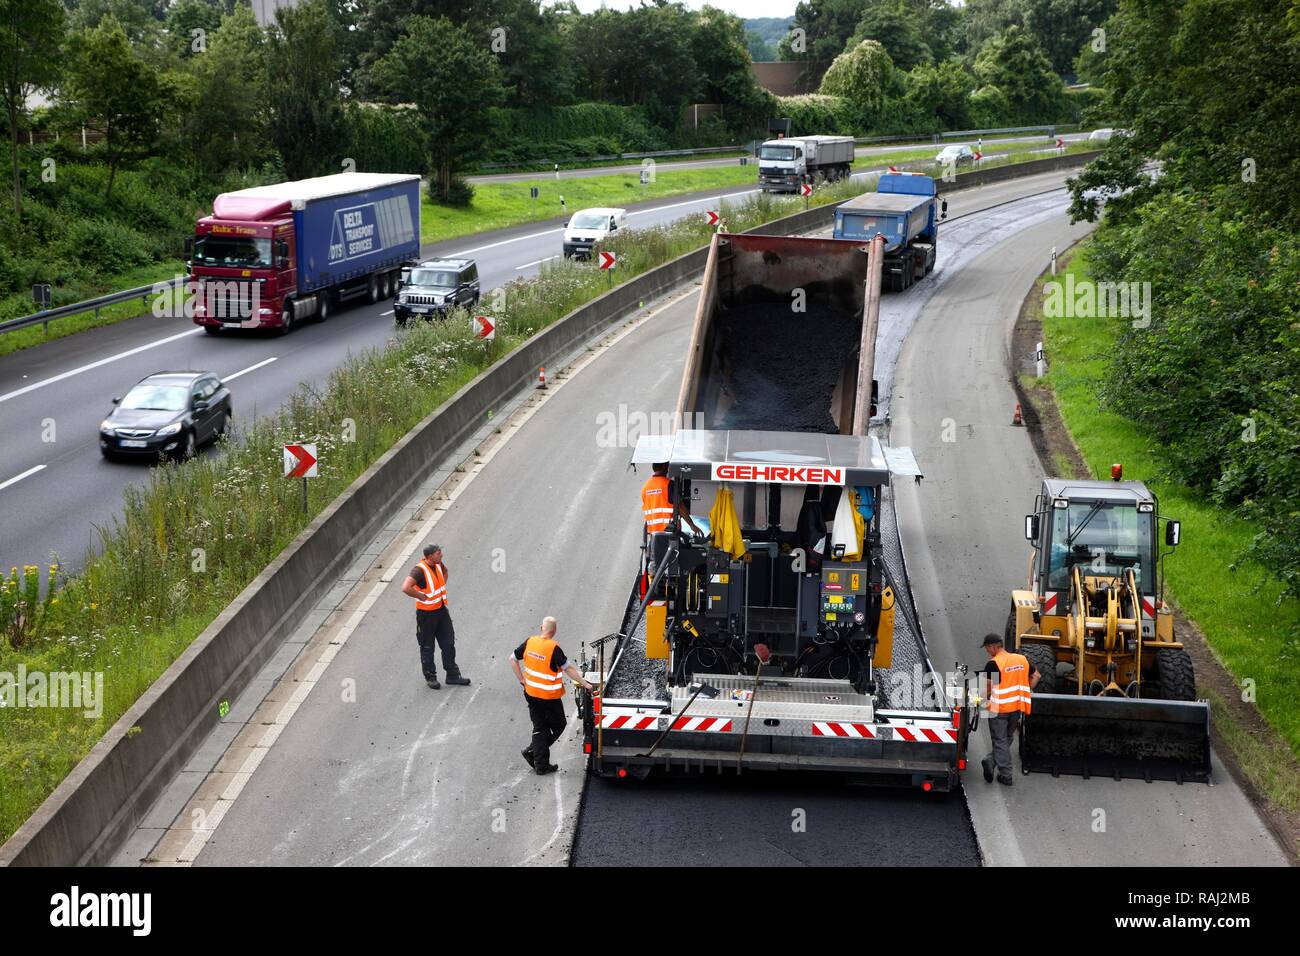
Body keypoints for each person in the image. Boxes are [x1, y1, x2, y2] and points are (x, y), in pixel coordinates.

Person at [509, 616, 593, 775]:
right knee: (559, 725)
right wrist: (585, 683)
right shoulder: (553, 648)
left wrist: (521, 679)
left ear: (542, 628)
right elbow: (568, 669)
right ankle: (534, 753)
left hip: (531, 693)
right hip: (548, 697)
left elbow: (512, 658)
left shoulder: (529, 642)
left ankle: (540, 763)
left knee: (539, 727)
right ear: (554, 631)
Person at [400, 544, 470, 689]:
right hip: (426, 616)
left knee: (449, 643)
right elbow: (405, 587)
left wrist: (441, 585)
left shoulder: (438, 564)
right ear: (429, 556)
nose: (441, 555)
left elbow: (445, 572)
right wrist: (420, 595)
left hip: (441, 611)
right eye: (438, 553)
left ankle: (452, 674)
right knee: (427, 647)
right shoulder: (419, 570)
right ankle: (431, 676)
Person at [979, 633, 1039, 785]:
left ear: (993, 646)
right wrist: (1026, 690)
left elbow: (987, 688)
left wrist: (979, 701)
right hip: (1016, 707)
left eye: (987, 648)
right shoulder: (1021, 659)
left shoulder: (994, 663)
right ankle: (991, 761)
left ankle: (1006, 775)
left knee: (1000, 740)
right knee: (1007, 738)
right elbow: (1036, 676)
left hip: (998, 709)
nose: (987, 651)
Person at [641, 462, 702, 537]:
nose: (668, 468)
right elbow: (680, 507)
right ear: (664, 466)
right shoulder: (669, 484)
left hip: (653, 533)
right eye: (667, 465)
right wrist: (692, 526)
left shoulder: (645, 487)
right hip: (669, 532)